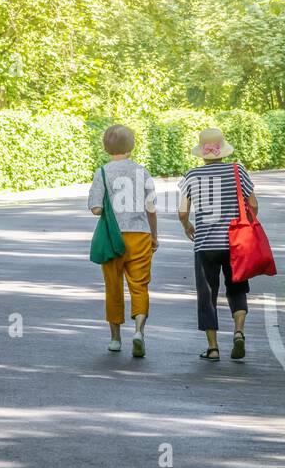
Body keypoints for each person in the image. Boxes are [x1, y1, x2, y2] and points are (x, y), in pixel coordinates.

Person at [177, 127, 257, 361]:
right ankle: (239, 332)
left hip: (205, 245)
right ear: (223, 150)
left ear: (202, 153)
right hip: (235, 242)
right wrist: (249, 223)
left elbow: (182, 212)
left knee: (207, 294)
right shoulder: (238, 171)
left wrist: (188, 226)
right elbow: (252, 203)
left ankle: (213, 349)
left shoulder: (191, 175)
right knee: (237, 288)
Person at [88, 124, 158, 357]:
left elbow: (96, 209)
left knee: (113, 287)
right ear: (131, 146)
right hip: (140, 234)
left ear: (106, 147)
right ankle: (138, 331)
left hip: (112, 236)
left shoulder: (103, 172)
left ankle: (115, 338)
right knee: (139, 286)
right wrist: (154, 236)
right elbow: (151, 208)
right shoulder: (142, 171)